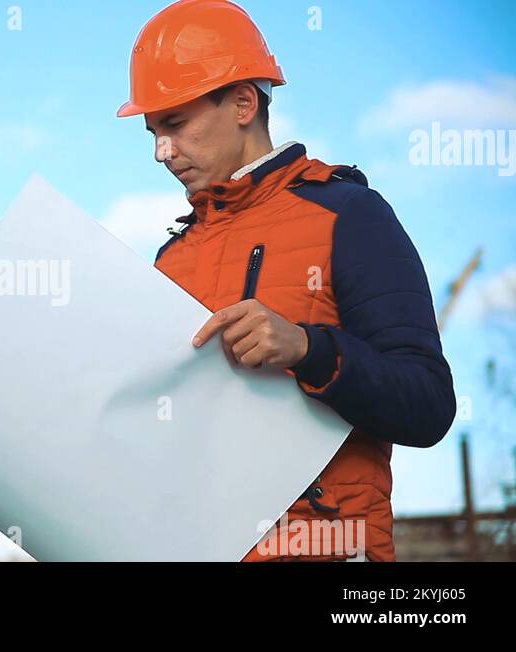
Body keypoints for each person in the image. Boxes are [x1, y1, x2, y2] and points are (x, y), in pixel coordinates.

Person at [118, 0, 456, 561]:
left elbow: (428, 405)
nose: (161, 151)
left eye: (175, 123)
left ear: (244, 103)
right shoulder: (167, 262)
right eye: (153, 131)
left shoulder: (350, 214)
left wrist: (308, 349)